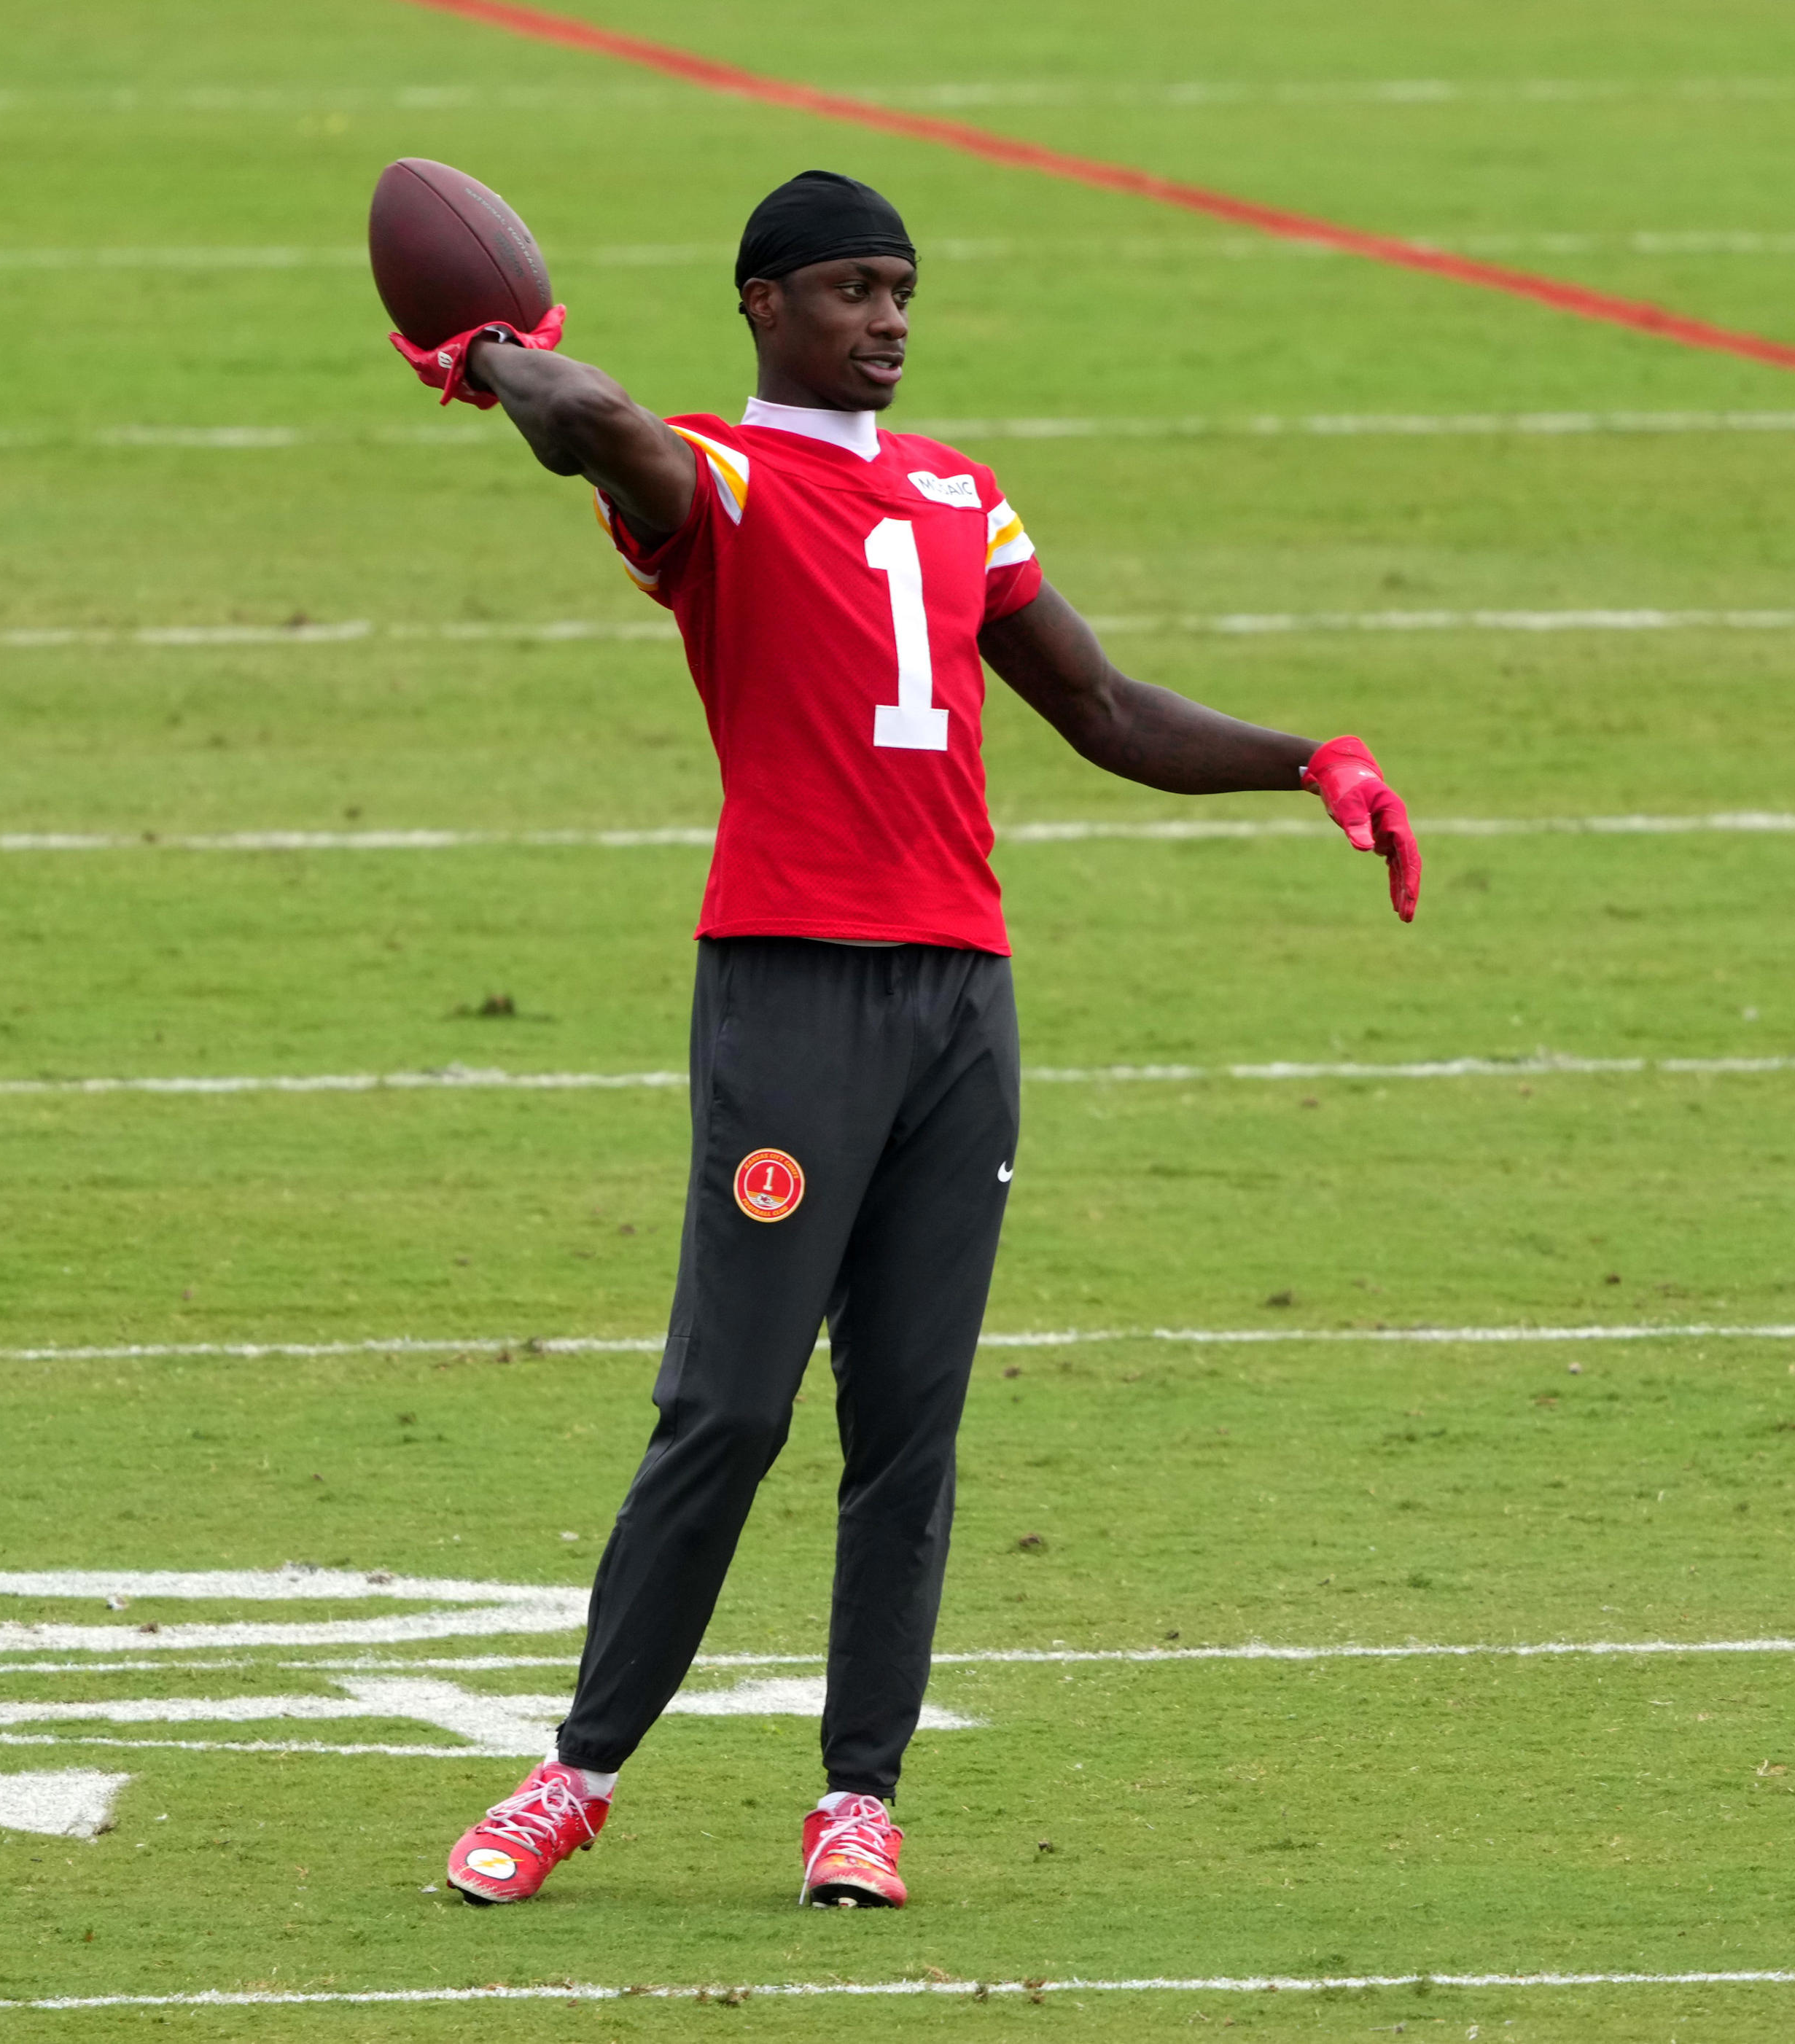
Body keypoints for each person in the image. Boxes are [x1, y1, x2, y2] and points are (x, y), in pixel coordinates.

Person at [389, 168, 1417, 1910]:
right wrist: (494, 350)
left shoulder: (961, 495)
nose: (887, 322)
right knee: (725, 1405)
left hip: (961, 999)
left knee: (911, 1420)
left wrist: (1308, 757)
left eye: (903, 292)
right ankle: (577, 1773)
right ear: (765, 305)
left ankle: (858, 1797)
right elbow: (588, 420)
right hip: (793, 989)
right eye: (854, 290)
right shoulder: (713, 475)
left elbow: (1099, 706)